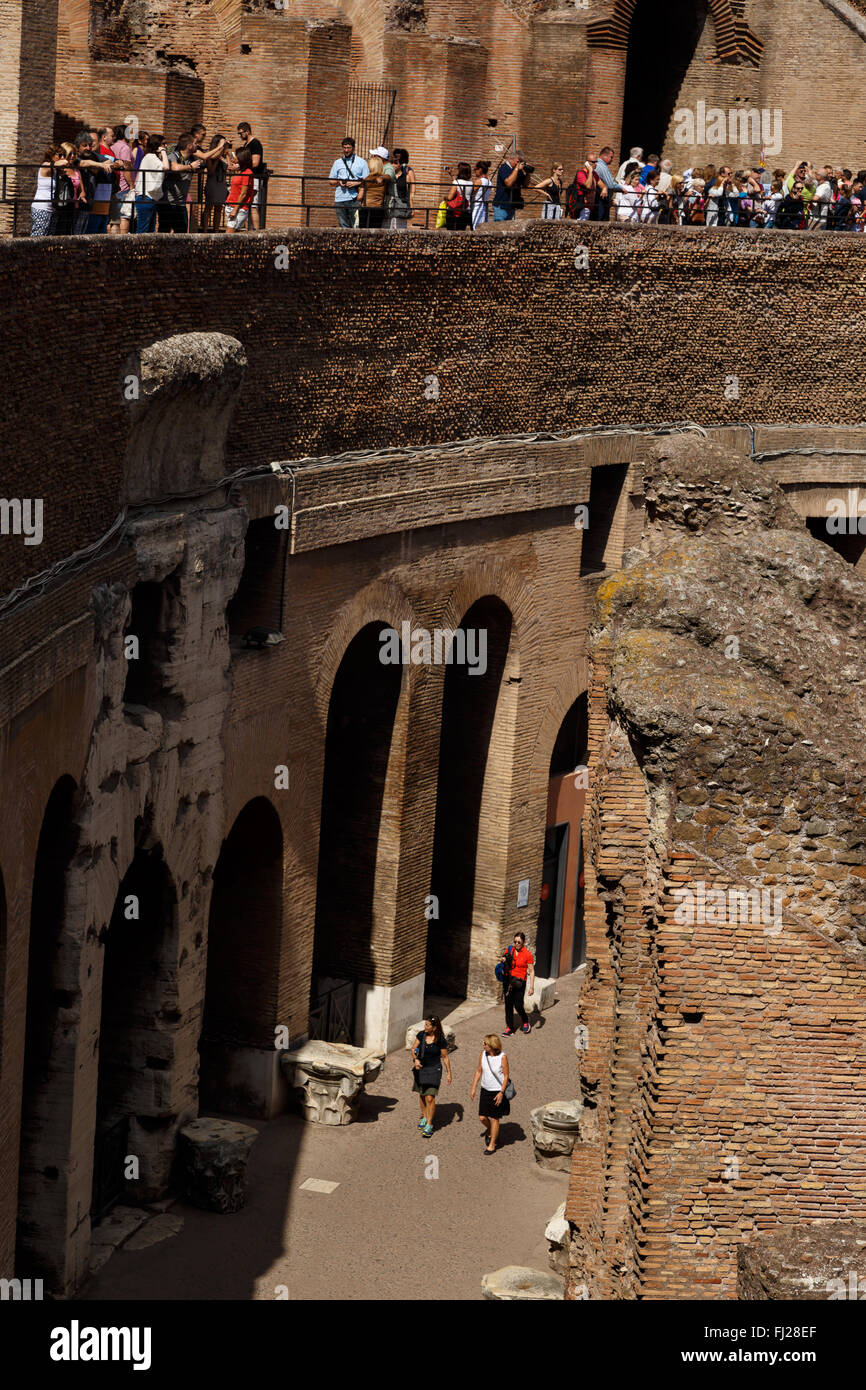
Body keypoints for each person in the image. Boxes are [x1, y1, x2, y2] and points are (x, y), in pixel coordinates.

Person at [411, 1015, 452, 1137]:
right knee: (422, 1094)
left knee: (430, 1097)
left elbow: (445, 1057)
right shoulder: (421, 1035)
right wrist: (415, 1060)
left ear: (434, 1027)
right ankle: (424, 1116)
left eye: (428, 1025)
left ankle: (429, 1124)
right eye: (425, 1025)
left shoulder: (440, 1040)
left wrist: (449, 1072)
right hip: (420, 1068)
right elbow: (413, 1049)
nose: (425, 1027)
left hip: (434, 1069)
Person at [470, 1034, 510, 1155]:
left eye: (485, 1044)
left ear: (492, 1046)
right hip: (485, 1089)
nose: (483, 1045)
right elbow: (478, 1071)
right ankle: (491, 1130)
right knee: (482, 1117)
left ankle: (492, 1144)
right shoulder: (483, 1054)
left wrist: (501, 1092)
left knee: (494, 1118)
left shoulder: (502, 1057)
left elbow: (506, 1076)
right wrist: (473, 1087)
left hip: (497, 1091)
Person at [158, 132, 203, 233]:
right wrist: (191, 167)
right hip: (168, 203)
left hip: (181, 204)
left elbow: (207, 163)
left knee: (181, 234)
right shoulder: (173, 156)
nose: (198, 145)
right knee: (163, 233)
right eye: (196, 143)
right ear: (189, 146)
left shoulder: (192, 159)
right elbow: (174, 167)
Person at [329, 136, 368, 229]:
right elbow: (330, 181)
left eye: (348, 148)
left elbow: (368, 180)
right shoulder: (337, 162)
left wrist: (356, 183)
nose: (346, 150)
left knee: (356, 226)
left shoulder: (362, 162)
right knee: (343, 226)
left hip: (354, 198)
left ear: (353, 148)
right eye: (344, 148)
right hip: (340, 198)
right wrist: (339, 182)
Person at [134, 133, 170, 233]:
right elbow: (166, 167)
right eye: (163, 144)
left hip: (151, 198)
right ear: (157, 145)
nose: (166, 146)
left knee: (150, 230)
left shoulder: (154, 158)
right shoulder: (150, 157)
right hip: (145, 198)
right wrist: (163, 152)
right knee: (143, 230)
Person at [501, 931, 535, 1036]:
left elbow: (531, 971)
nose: (516, 944)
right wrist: (503, 960)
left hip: (520, 982)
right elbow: (504, 959)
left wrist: (531, 987)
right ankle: (509, 1027)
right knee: (508, 1005)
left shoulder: (527, 954)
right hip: (508, 981)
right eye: (515, 941)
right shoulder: (510, 949)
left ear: (523, 942)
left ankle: (525, 1020)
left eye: (519, 942)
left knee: (518, 1005)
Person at [236, 123, 265, 228]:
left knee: (253, 206)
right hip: (248, 178)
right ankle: (249, 231)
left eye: (240, 133)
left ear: (247, 131)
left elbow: (255, 162)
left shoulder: (255, 144)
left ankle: (256, 232)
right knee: (247, 205)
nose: (239, 136)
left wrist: (239, 166)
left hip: (255, 178)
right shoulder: (246, 144)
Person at [30, 147, 61, 236]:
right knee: (38, 235)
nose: (62, 157)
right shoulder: (45, 165)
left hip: (51, 208)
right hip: (41, 207)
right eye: (60, 155)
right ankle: (32, 249)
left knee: (49, 237)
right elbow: (64, 162)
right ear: (52, 156)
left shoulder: (55, 171)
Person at [203, 134, 230, 231]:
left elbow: (229, 167)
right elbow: (210, 171)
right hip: (212, 183)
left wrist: (226, 153)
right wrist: (217, 159)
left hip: (221, 184)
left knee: (219, 209)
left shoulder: (223, 154)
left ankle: (216, 231)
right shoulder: (209, 153)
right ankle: (205, 231)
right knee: (208, 208)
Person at [225, 146, 255, 233]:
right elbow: (230, 165)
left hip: (238, 209)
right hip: (231, 206)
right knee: (233, 237)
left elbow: (243, 194)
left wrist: (235, 210)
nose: (234, 157)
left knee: (228, 236)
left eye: (236, 155)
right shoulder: (241, 171)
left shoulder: (248, 173)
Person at [492, 149, 527, 221]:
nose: (519, 164)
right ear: (510, 159)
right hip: (502, 205)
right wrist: (517, 169)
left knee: (507, 230)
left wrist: (528, 172)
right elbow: (508, 183)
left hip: (511, 205)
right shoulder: (504, 168)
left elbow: (525, 184)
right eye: (518, 162)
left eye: (521, 162)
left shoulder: (518, 171)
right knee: (499, 229)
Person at [386, 147, 414, 230]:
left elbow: (410, 192)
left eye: (396, 162)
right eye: (392, 162)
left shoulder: (407, 175)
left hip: (400, 207)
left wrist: (411, 208)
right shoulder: (388, 174)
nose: (393, 165)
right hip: (389, 206)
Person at [593, 146, 624, 222]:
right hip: (601, 198)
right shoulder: (601, 166)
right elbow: (610, 184)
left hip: (600, 197)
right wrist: (621, 188)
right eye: (611, 157)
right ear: (604, 156)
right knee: (601, 220)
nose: (612, 160)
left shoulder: (600, 165)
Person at [361, 148, 388, 228]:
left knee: (363, 233)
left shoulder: (367, 180)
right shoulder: (383, 181)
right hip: (378, 209)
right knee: (376, 234)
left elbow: (360, 197)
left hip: (366, 209)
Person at [444, 161, 473, 230]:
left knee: (451, 230)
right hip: (465, 210)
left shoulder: (456, 182)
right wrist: (451, 175)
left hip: (454, 211)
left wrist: (445, 197)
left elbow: (450, 197)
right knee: (461, 230)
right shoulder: (471, 183)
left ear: (460, 171)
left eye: (457, 169)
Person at [471, 160, 492, 227]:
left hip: (477, 206)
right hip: (485, 207)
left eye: (475, 169)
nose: (475, 171)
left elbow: (471, 193)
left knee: (474, 226)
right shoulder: (489, 182)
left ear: (480, 169)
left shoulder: (479, 181)